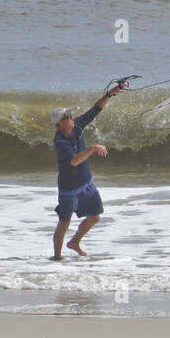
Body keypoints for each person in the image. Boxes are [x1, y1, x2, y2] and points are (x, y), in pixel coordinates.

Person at [50, 84, 123, 260]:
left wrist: (111, 93)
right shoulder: (60, 142)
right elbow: (74, 161)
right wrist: (92, 148)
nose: (72, 118)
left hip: (86, 183)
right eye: (67, 117)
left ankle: (74, 242)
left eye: (71, 115)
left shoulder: (77, 126)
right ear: (60, 123)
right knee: (64, 223)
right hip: (69, 188)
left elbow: (95, 109)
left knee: (94, 217)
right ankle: (57, 257)